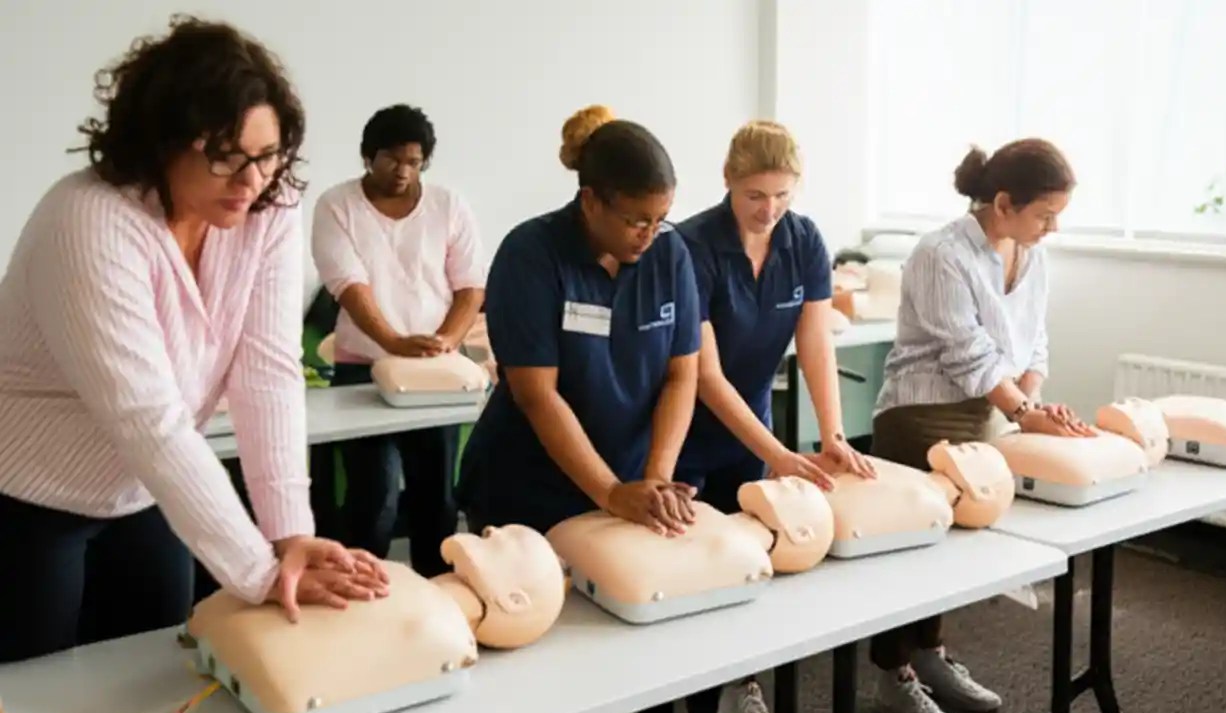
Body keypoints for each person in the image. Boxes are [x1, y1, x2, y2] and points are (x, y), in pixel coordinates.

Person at [0, 16, 387, 664]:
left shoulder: (266, 204)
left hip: (144, 491)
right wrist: (257, 571)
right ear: (160, 141)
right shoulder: (89, 221)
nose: (250, 180)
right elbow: (147, 419)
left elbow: (267, 368)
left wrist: (290, 533)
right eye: (224, 156)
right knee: (33, 691)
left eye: (267, 155)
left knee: (154, 675)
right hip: (27, 497)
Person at [868, 138, 1093, 713]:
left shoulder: (1032, 254)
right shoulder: (940, 253)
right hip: (921, 416)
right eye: (1045, 215)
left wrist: (1034, 406)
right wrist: (1024, 413)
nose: (1053, 228)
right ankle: (893, 677)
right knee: (913, 552)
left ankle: (931, 655)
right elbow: (968, 354)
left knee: (955, 555)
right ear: (1003, 203)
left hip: (987, 412)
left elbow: (1033, 340)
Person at [669, 120, 879, 713]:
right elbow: (706, 376)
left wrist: (831, 434)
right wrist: (780, 455)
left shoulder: (803, 239)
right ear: (728, 181)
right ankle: (688, 694)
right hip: (683, 428)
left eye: (782, 195)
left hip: (751, 424)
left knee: (749, 561)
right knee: (691, 566)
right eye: (755, 196)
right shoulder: (691, 245)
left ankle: (740, 682)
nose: (769, 211)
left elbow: (815, 341)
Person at [457, 103, 701, 540]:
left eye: (660, 219)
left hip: (628, 481)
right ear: (590, 202)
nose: (649, 234)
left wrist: (657, 480)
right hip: (529, 488)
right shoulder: (531, 255)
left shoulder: (670, 254)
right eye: (636, 221)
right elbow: (537, 394)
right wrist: (610, 492)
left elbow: (681, 375)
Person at [310, 104, 486, 578]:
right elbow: (348, 284)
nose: (403, 171)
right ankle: (361, 588)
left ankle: (436, 589)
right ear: (368, 157)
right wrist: (392, 341)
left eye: (414, 161)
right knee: (375, 496)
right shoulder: (337, 205)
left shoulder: (449, 205)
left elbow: (470, 286)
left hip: (434, 374)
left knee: (436, 497)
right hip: (362, 369)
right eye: (392, 159)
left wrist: (445, 342)